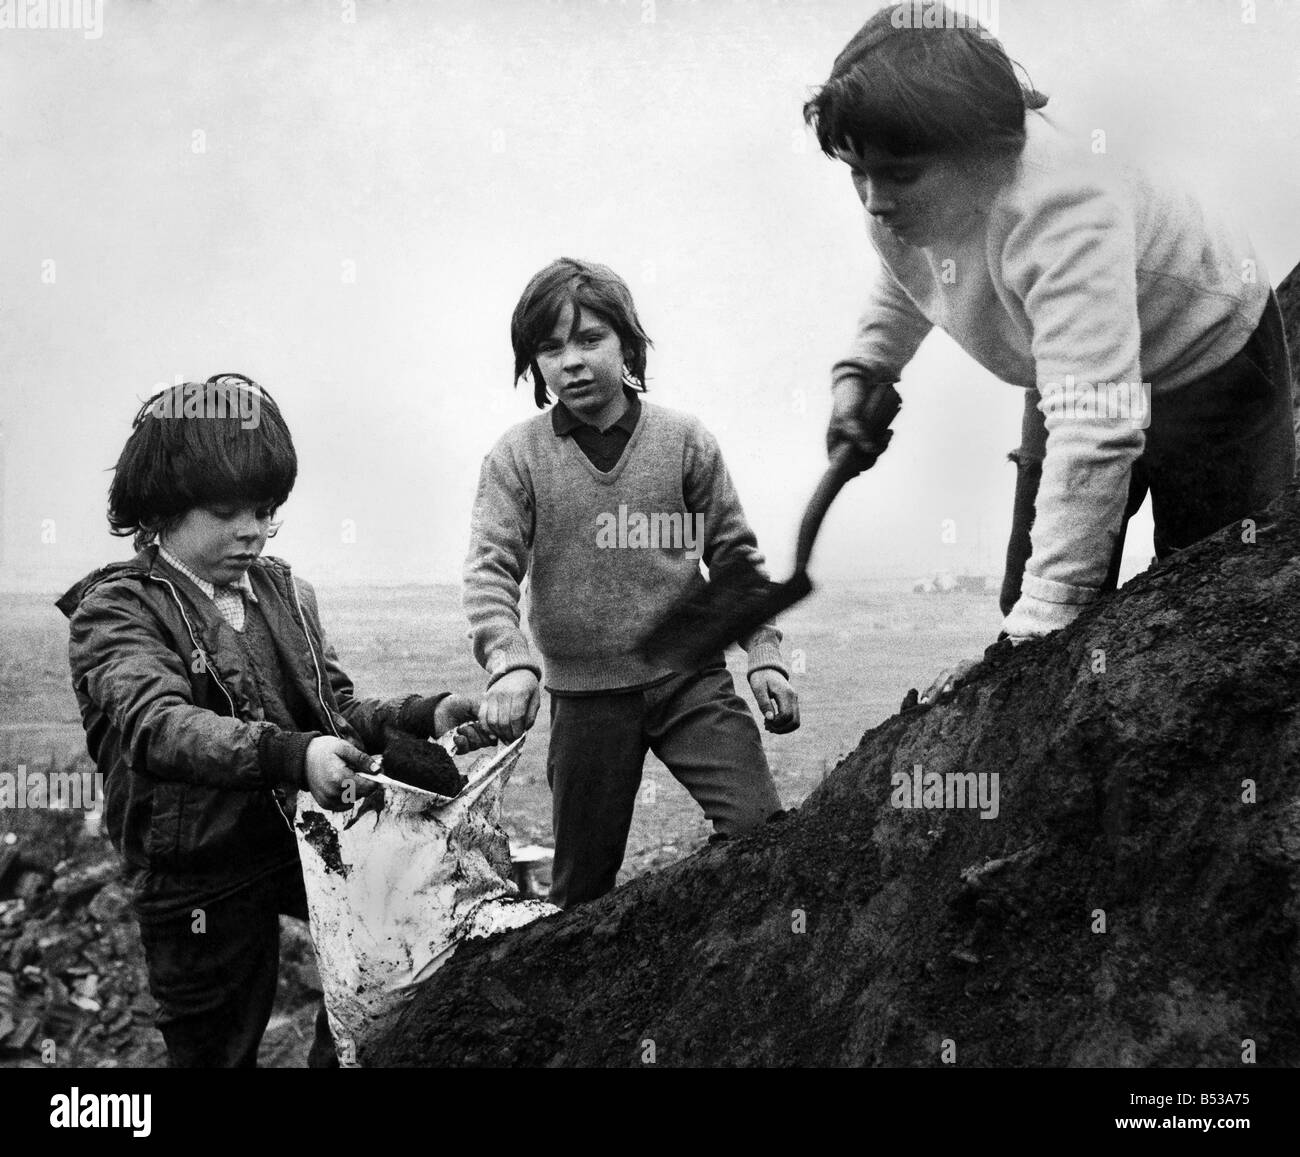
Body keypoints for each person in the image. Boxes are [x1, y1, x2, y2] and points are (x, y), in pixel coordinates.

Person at [808, 6, 1296, 703]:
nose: (875, 200)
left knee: (1219, 597)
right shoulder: (901, 187)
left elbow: (1096, 425)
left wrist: (1046, 625)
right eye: (857, 172)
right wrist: (868, 367)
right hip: (1071, 359)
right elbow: (906, 271)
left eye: (897, 175)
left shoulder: (1066, 206)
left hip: (1207, 353)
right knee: (1028, 592)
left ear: (986, 152)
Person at [56, 374, 487, 1068]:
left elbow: (336, 711)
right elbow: (161, 725)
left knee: (395, 948)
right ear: (162, 506)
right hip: (196, 873)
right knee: (215, 1051)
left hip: (299, 842)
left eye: (264, 509)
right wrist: (294, 756)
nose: (252, 529)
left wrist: (422, 713)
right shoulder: (117, 611)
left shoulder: (285, 590)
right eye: (228, 511)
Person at [464, 258, 799, 910]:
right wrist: (509, 661)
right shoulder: (518, 457)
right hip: (586, 702)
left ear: (628, 344)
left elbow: (734, 559)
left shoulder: (683, 442)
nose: (572, 362)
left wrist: (765, 655)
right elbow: (489, 570)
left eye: (590, 339)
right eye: (551, 347)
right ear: (534, 363)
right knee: (580, 895)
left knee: (760, 834)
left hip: (690, 683)